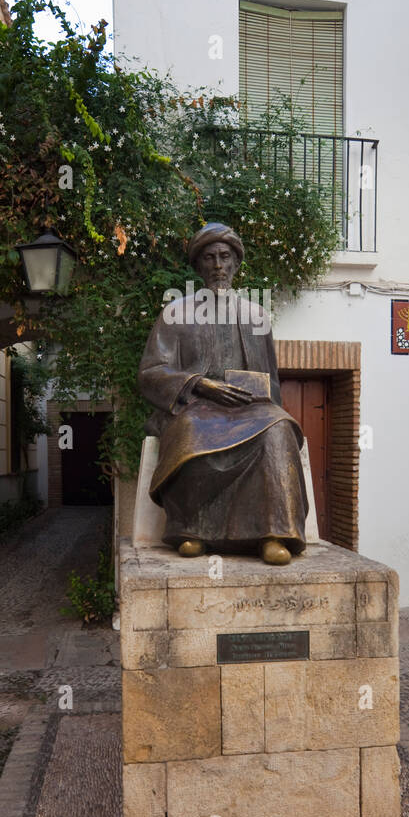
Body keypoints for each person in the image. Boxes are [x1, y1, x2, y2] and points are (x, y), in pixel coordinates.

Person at [137, 222, 308, 565]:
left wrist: (259, 397)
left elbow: (272, 381)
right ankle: (192, 530)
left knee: (277, 429)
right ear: (199, 266)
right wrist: (199, 384)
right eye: (210, 258)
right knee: (191, 431)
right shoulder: (175, 314)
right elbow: (151, 372)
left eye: (225, 257)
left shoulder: (256, 316)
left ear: (235, 264)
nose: (218, 265)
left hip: (248, 407)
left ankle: (275, 533)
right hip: (195, 405)